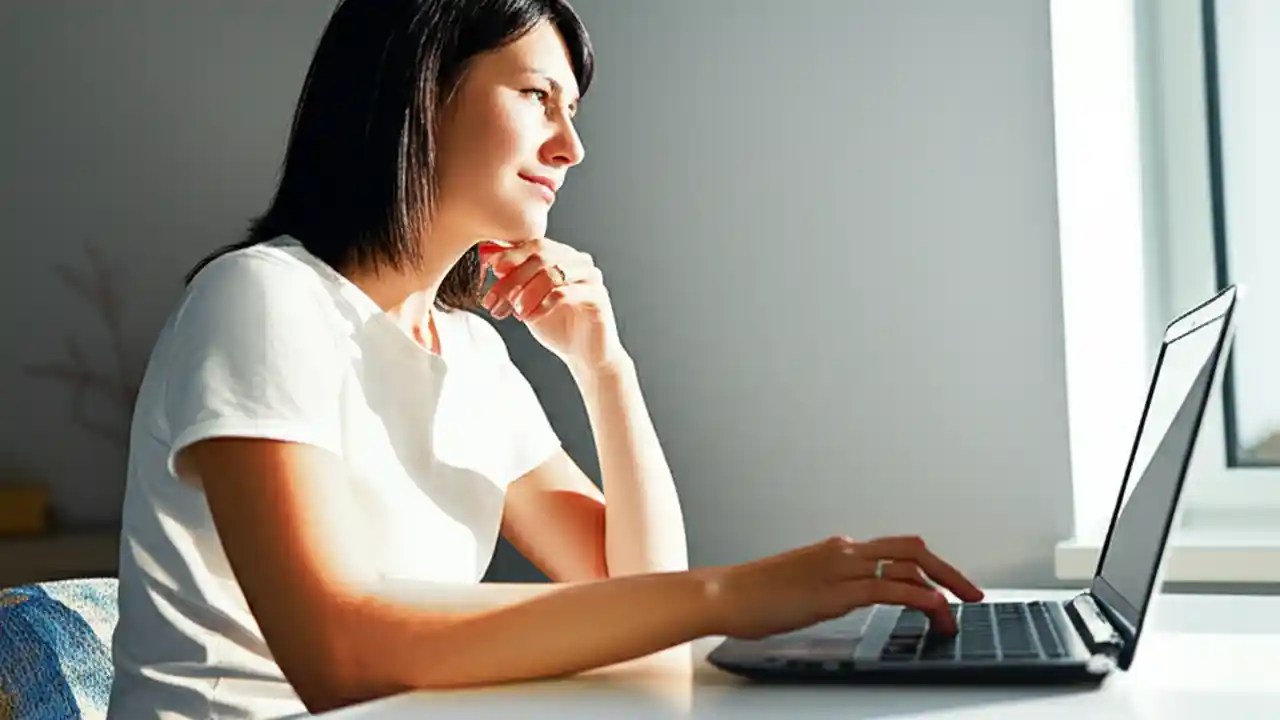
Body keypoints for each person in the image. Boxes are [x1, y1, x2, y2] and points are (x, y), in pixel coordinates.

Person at [107, 0, 984, 717]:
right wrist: (742, 594)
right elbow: (341, 659)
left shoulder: (473, 357)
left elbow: (644, 602)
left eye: (572, 111)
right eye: (537, 97)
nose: (571, 146)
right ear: (421, 92)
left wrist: (607, 372)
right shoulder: (261, 299)